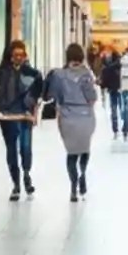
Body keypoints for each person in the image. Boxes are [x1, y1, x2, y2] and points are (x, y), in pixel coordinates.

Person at [46, 43, 98, 202]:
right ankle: (82, 172)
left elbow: (53, 95)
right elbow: (92, 97)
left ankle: (73, 186)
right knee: (84, 148)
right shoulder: (86, 74)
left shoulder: (59, 75)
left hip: (67, 115)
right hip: (85, 115)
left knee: (71, 152)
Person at [0, 39, 43, 201]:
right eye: (16, 55)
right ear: (10, 56)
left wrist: (32, 107)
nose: (19, 58)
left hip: (25, 116)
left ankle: (26, 174)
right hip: (7, 117)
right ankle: (16, 183)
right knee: (11, 151)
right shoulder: (2, 73)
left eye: (22, 55)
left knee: (26, 147)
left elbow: (38, 92)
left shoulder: (32, 73)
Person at [99, 50, 124, 137]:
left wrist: (103, 86)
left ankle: (115, 129)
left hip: (112, 90)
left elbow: (104, 81)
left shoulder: (108, 68)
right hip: (122, 89)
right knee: (123, 108)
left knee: (114, 109)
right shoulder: (122, 67)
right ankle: (125, 126)